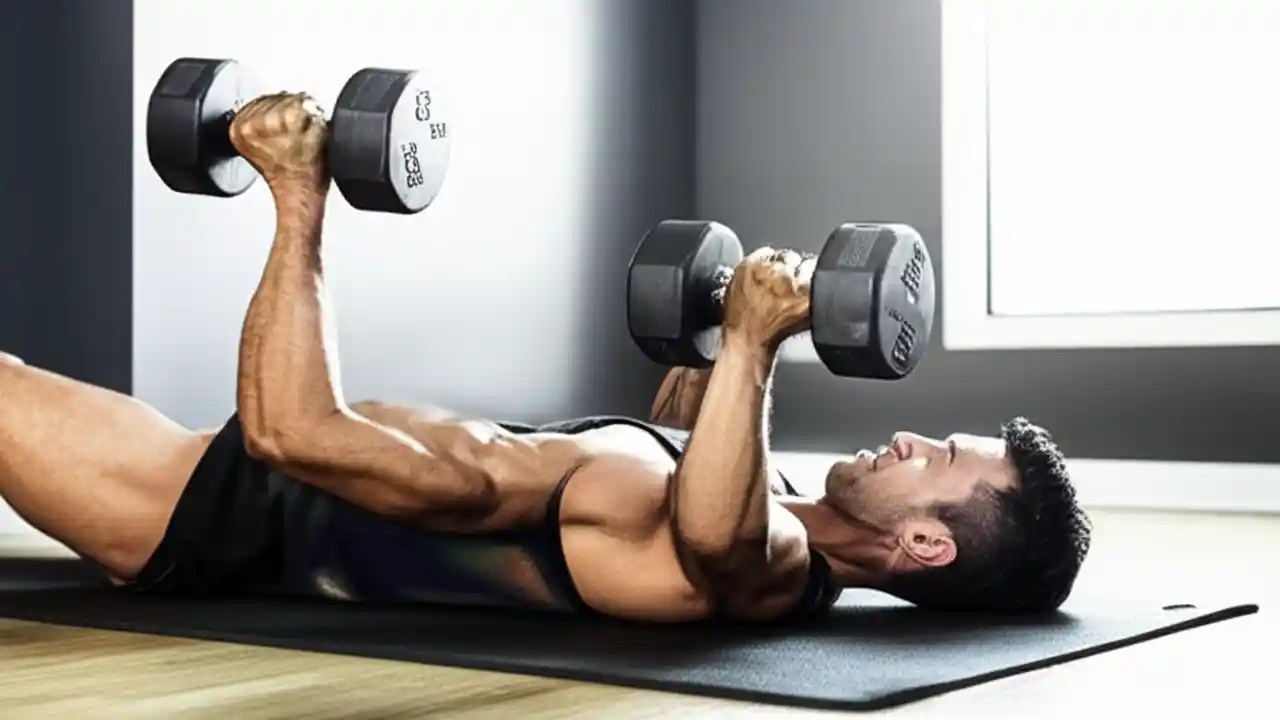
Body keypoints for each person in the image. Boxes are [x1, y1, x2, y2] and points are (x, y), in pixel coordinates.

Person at [0, 93, 1090, 623]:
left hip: (208, 513)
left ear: (922, 546)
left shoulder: (768, 574)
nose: (910, 436)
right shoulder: (767, 495)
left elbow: (297, 435)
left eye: (941, 458)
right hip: (226, 467)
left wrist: (297, 191)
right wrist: (728, 333)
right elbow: (693, 455)